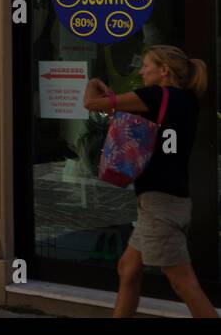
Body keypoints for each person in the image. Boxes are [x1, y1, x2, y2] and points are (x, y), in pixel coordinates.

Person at [84, 44, 216, 317]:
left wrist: (94, 81)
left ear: (164, 70)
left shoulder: (154, 95)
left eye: (146, 66)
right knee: (128, 268)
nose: (141, 71)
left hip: (159, 204)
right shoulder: (188, 99)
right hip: (170, 199)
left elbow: (91, 104)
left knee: (184, 284)